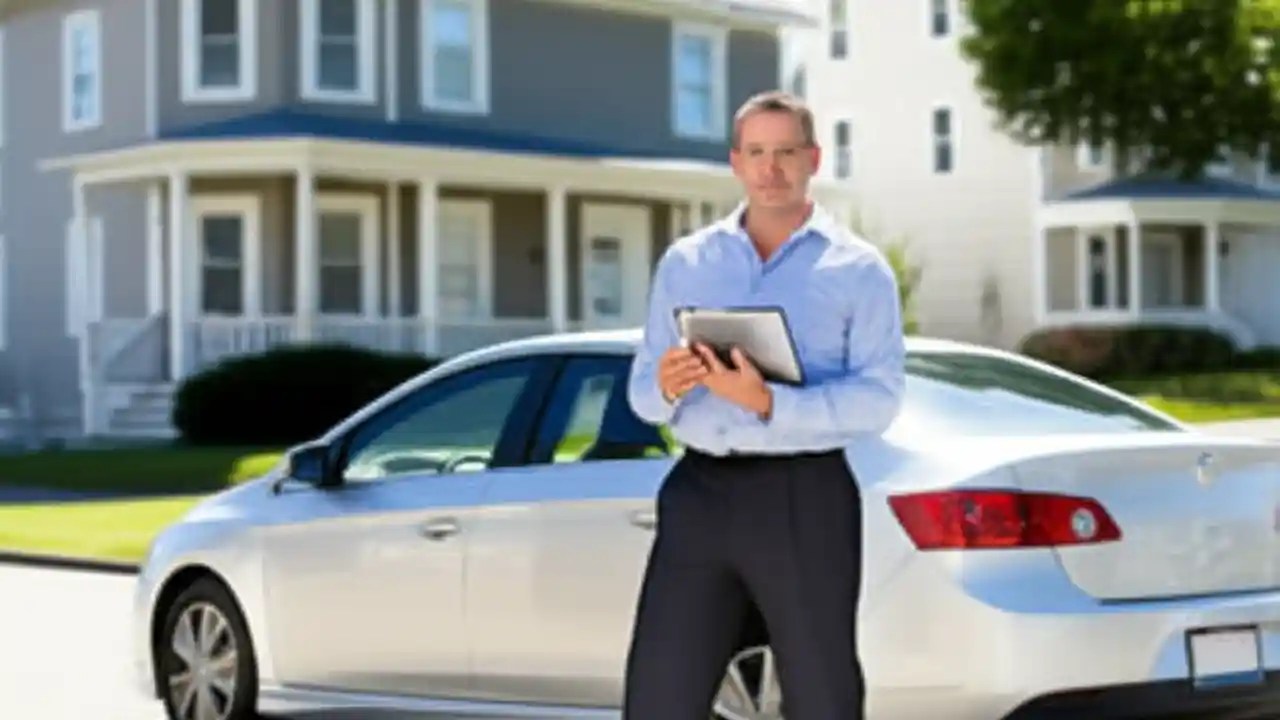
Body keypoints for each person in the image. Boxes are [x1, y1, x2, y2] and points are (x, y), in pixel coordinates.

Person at [622, 90, 907, 720]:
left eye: (784, 152)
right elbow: (642, 393)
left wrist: (768, 402)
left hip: (802, 496)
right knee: (658, 694)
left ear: (813, 159)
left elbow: (880, 399)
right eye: (756, 152)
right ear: (735, 161)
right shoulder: (687, 262)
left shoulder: (858, 269)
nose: (770, 168)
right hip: (699, 491)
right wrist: (670, 382)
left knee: (820, 695)